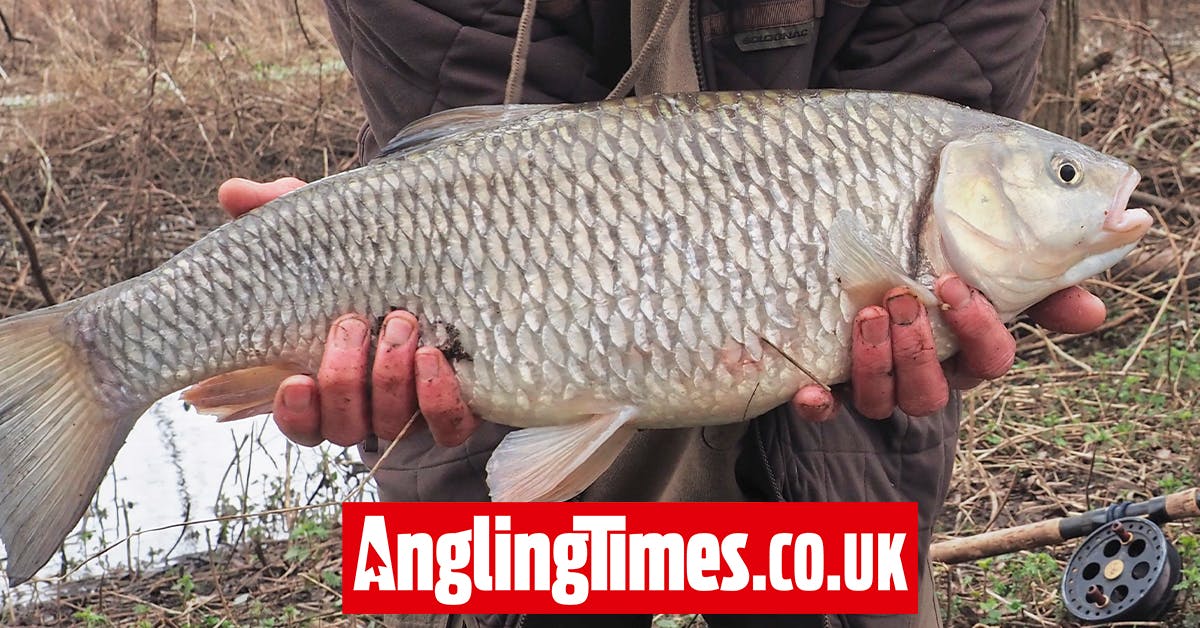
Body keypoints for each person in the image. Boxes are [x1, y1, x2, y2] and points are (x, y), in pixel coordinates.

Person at [220, 1, 1102, 626]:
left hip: (834, 432)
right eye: (1067, 177)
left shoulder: (923, 139)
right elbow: (469, 175)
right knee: (509, 576)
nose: (1091, 193)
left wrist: (960, 298)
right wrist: (319, 248)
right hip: (494, 346)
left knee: (828, 579)